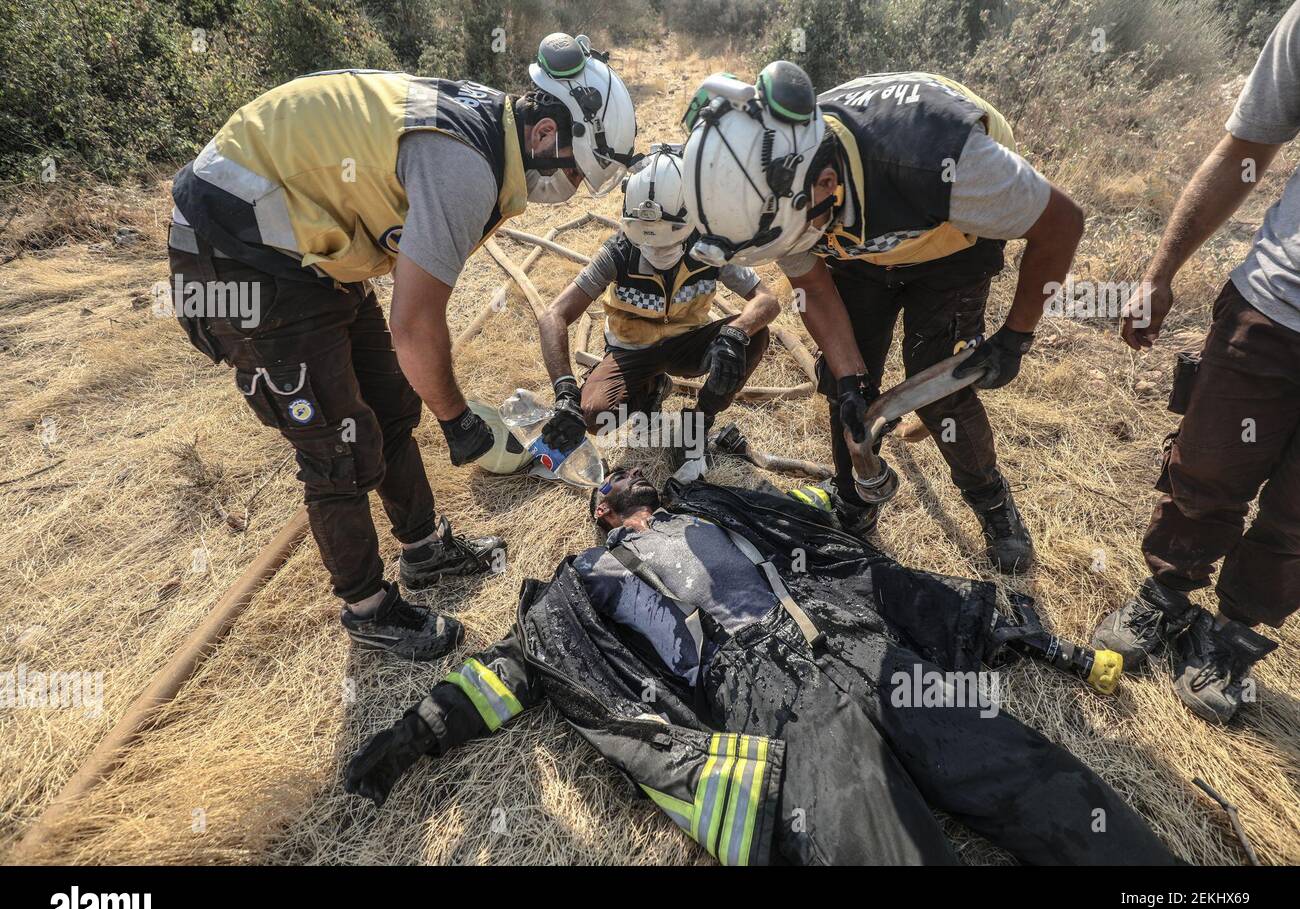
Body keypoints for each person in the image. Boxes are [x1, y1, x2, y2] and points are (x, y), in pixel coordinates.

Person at [345, 470, 1177, 865]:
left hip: (853, 644)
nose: (627, 470)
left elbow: (824, 519)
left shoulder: (719, 504)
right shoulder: (582, 581)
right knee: (881, 853)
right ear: (602, 512)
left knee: (1025, 771)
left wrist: (747, 471)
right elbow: (526, 665)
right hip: (765, 698)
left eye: (638, 463)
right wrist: (414, 732)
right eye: (612, 478)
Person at [166, 34, 637, 660]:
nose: (571, 189)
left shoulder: (490, 134)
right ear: (546, 133)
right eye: (577, 171)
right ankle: (368, 611)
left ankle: (422, 550)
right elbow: (414, 327)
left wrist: (436, 405)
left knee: (388, 402)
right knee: (338, 440)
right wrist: (457, 417)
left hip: (308, 246)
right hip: (239, 250)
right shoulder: (467, 170)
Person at [682, 62, 1084, 565]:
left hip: (951, 247)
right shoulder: (772, 190)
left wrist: (1016, 336)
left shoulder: (948, 162)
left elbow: (1063, 224)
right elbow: (810, 279)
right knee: (842, 385)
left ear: (825, 184)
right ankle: (855, 498)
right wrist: (850, 378)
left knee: (941, 387)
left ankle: (993, 503)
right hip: (857, 251)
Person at [1091, 6, 1300, 724]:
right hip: (1274, 306)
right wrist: (1159, 270)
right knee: (1204, 468)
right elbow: (1244, 152)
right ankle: (1166, 596)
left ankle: (1234, 634)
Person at [535, 144, 779, 465]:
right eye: (646, 238)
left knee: (755, 336)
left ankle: (699, 419)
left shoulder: (709, 247)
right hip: (630, 352)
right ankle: (651, 390)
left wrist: (735, 333)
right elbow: (554, 314)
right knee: (592, 414)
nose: (657, 249)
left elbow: (767, 300)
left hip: (687, 345)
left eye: (669, 236)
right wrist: (565, 392)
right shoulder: (619, 251)